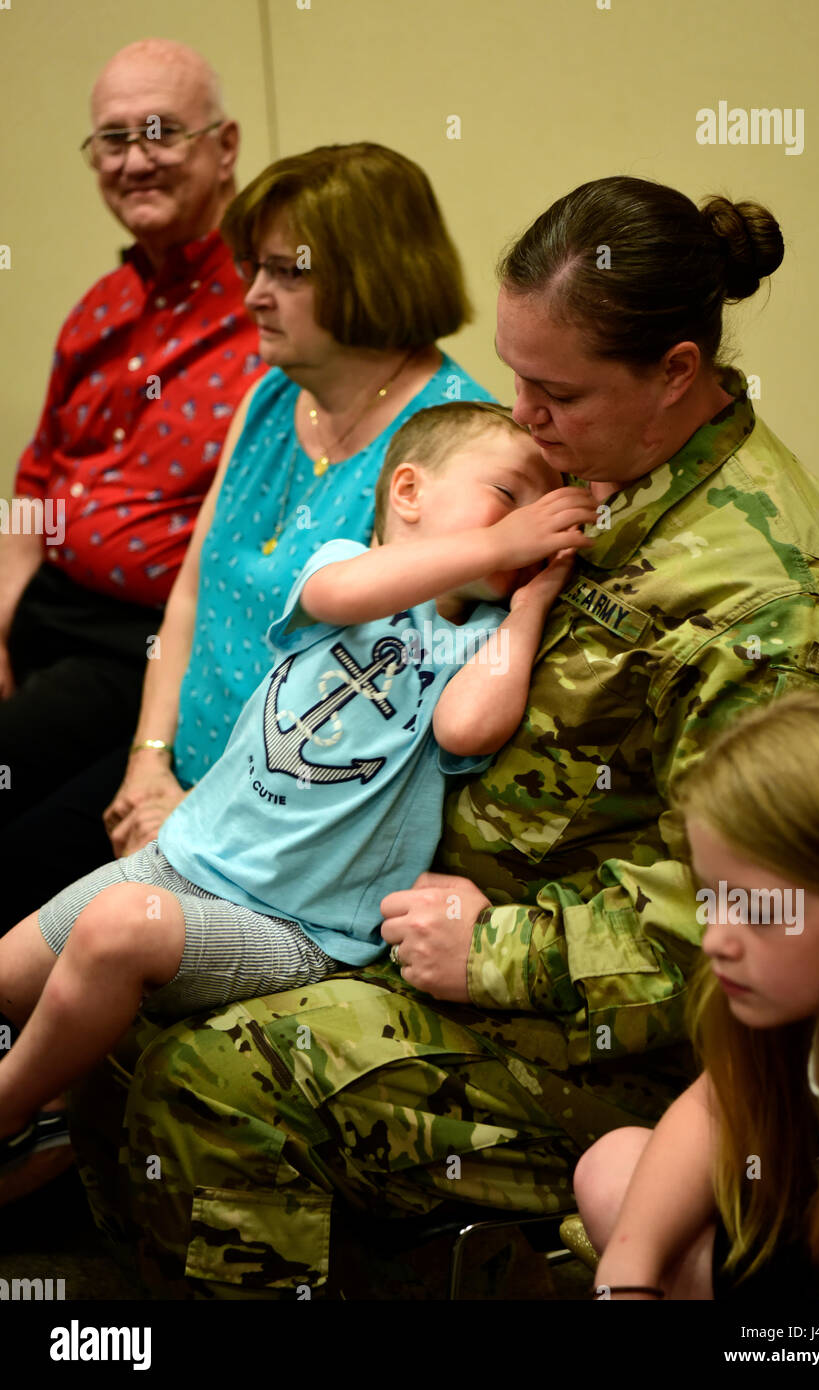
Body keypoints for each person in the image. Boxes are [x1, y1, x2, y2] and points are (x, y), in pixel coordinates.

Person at [66, 175, 819, 1299]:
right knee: (113, 1006)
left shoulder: (777, 608)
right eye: (516, 374)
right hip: (397, 917)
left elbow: (764, 918)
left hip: (597, 1034)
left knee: (220, 1076)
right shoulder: (600, 474)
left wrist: (498, 947)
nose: (521, 416)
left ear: (676, 374)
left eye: (556, 391)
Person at [0, 402, 596, 1159]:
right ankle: (56, 1117)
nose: (529, 525)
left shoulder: (481, 639)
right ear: (407, 493)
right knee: (10, 976)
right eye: (510, 493)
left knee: (117, 926)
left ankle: (10, 1109)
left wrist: (533, 601)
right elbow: (340, 596)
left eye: (545, 512)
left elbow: (465, 729)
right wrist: (498, 541)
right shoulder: (341, 567)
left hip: (300, 928)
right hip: (183, 860)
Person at [0, 142, 494, 935]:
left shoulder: (452, 451)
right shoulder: (272, 395)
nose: (253, 296)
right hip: (174, 777)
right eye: (250, 267)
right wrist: (146, 761)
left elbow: (398, 711)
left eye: (284, 272)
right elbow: (190, 595)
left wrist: (200, 819)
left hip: (275, 838)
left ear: (373, 271)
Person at [0, 38, 264, 834]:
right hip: (45, 612)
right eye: (113, 139)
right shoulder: (102, 303)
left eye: (160, 131)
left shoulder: (270, 308)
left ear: (225, 147)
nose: (135, 160)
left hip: (141, 649)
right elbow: (36, 486)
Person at [575, 690, 819, 1301]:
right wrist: (627, 1281)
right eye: (712, 896)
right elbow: (717, 1107)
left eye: (756, 908)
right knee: (612, 1166)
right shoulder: (787, 1001)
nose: (716, 941)